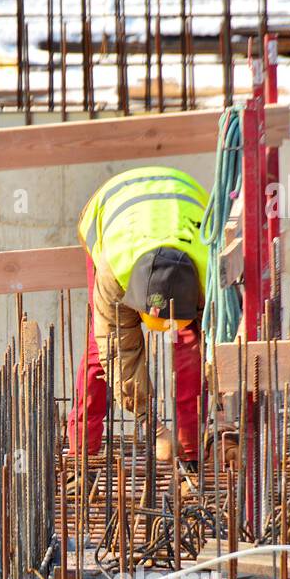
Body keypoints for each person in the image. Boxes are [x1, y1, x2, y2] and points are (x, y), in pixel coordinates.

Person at [66, 166, 209, 465]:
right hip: (112, 210)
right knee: (101, 349)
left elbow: (224, 351)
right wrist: (153, 426)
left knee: (194, 346)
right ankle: (83, 457)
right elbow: (118, 353)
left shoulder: (211, 275)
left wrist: (226, 423)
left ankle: (191, 453)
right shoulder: (114, 270)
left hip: (183, 199)